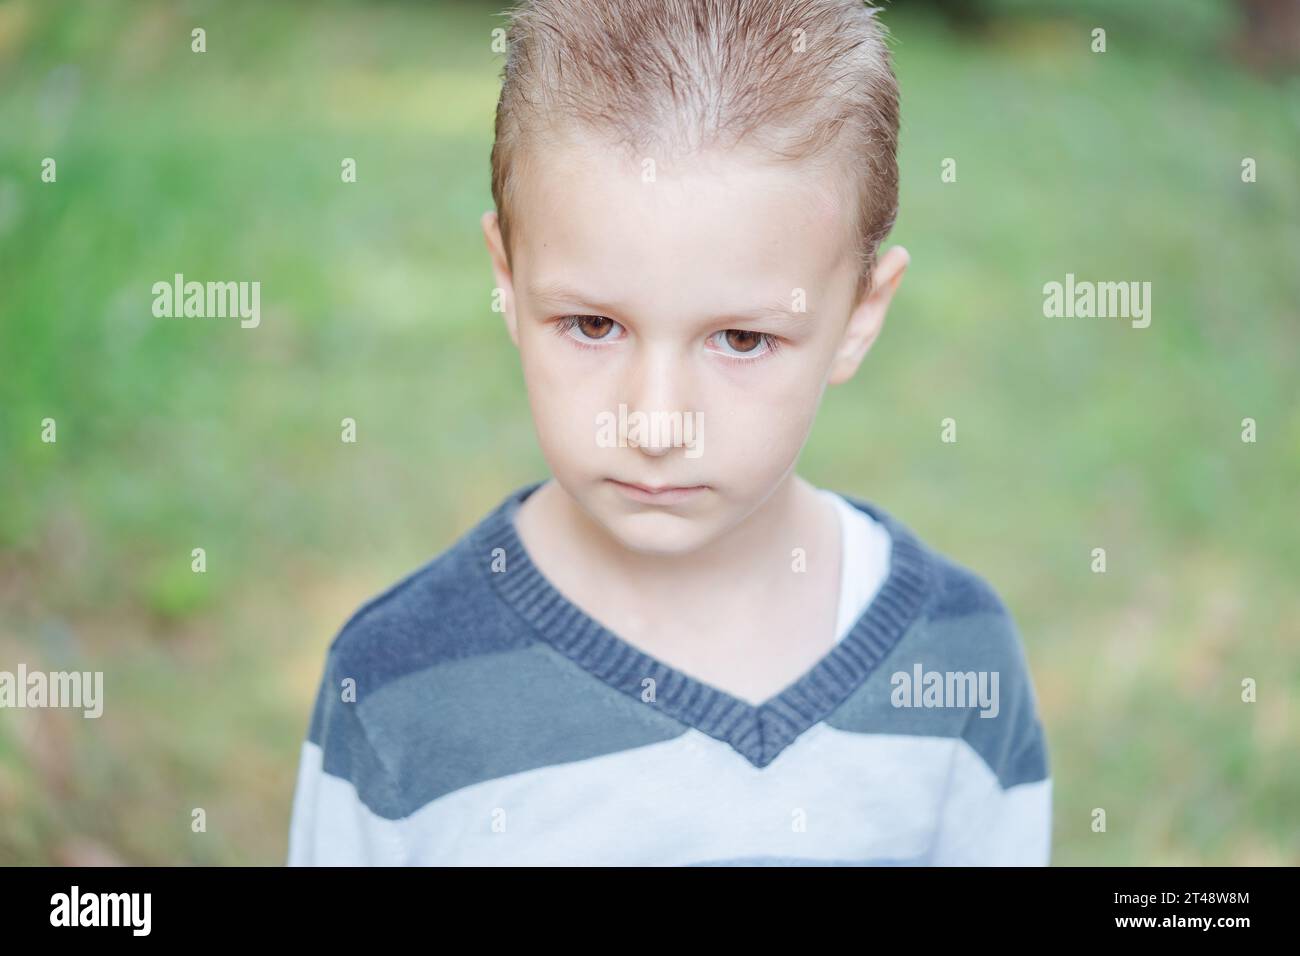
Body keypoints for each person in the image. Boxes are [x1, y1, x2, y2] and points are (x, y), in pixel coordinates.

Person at [287, 0, 1051, 866]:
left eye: (741, 339)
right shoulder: (397, 685)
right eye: (592, 325)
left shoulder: (955, 660)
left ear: (859, 317)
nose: (654, 423)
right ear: (507, 278)